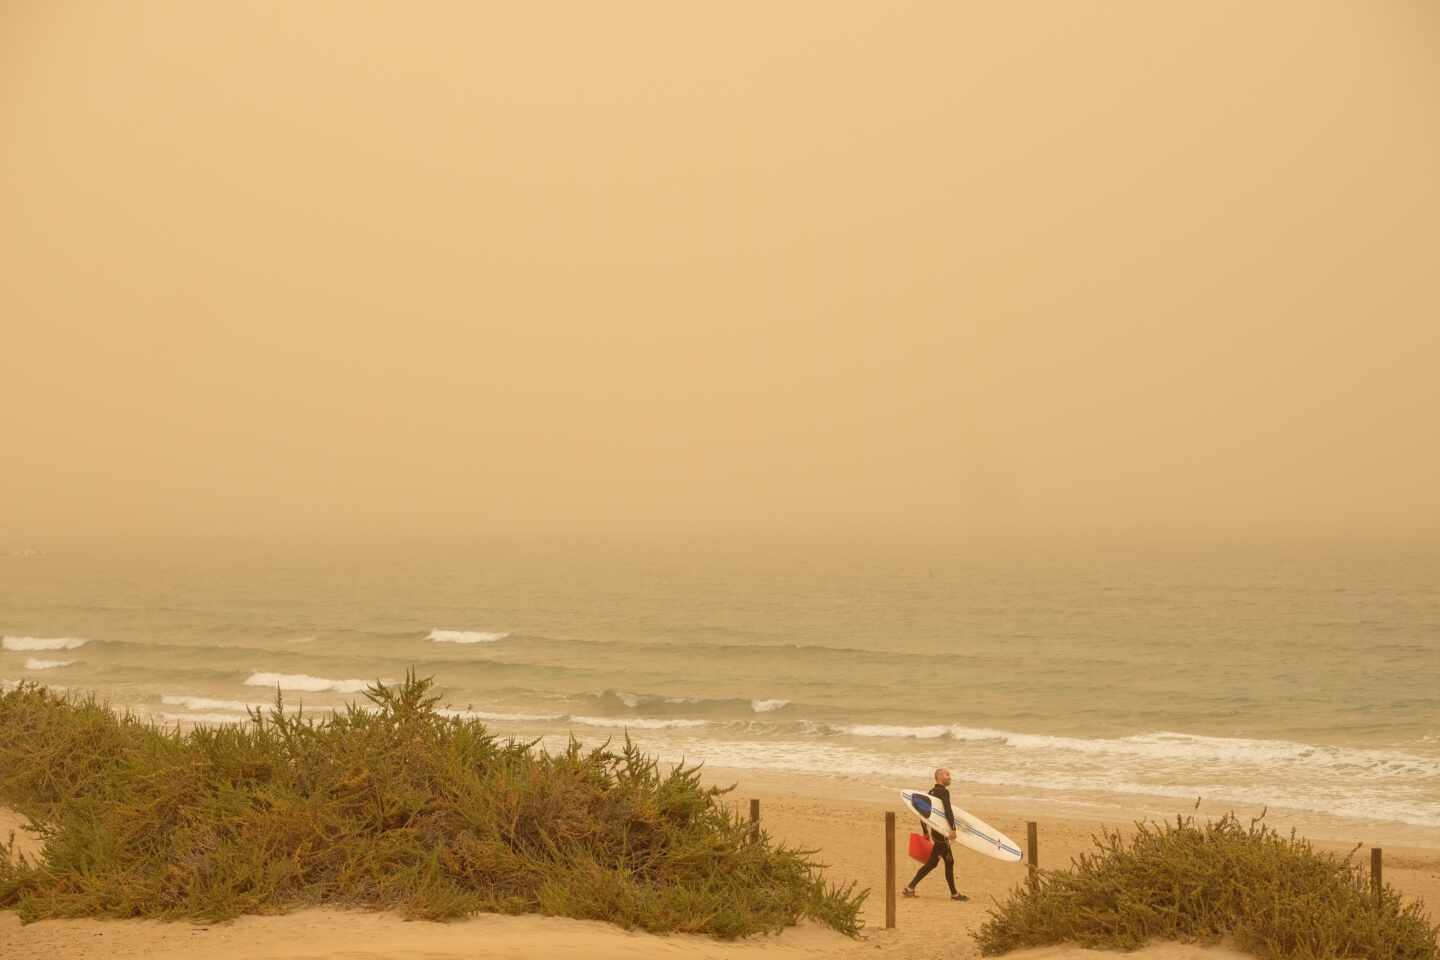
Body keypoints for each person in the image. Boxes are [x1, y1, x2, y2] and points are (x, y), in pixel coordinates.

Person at [902, 767, 968, 901]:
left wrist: (926, 831)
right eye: (947, 774)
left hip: (935, 832)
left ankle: (910, 887)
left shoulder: (931, 793)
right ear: (939, 777)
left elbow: (922, 814)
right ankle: (954, 894)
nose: (950, 777)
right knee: (948, 861)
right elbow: (948, 810)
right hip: (941, 832)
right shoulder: (943, 792)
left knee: (933, 863)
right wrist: (953, 829)